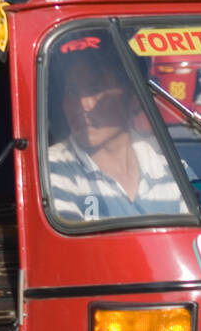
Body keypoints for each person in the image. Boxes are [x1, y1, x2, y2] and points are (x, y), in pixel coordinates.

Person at [46, 37, 185, 222]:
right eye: (71, 92)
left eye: (95, 90)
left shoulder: (171, 170)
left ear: (133, 98)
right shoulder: (53, 168)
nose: (82, 106)